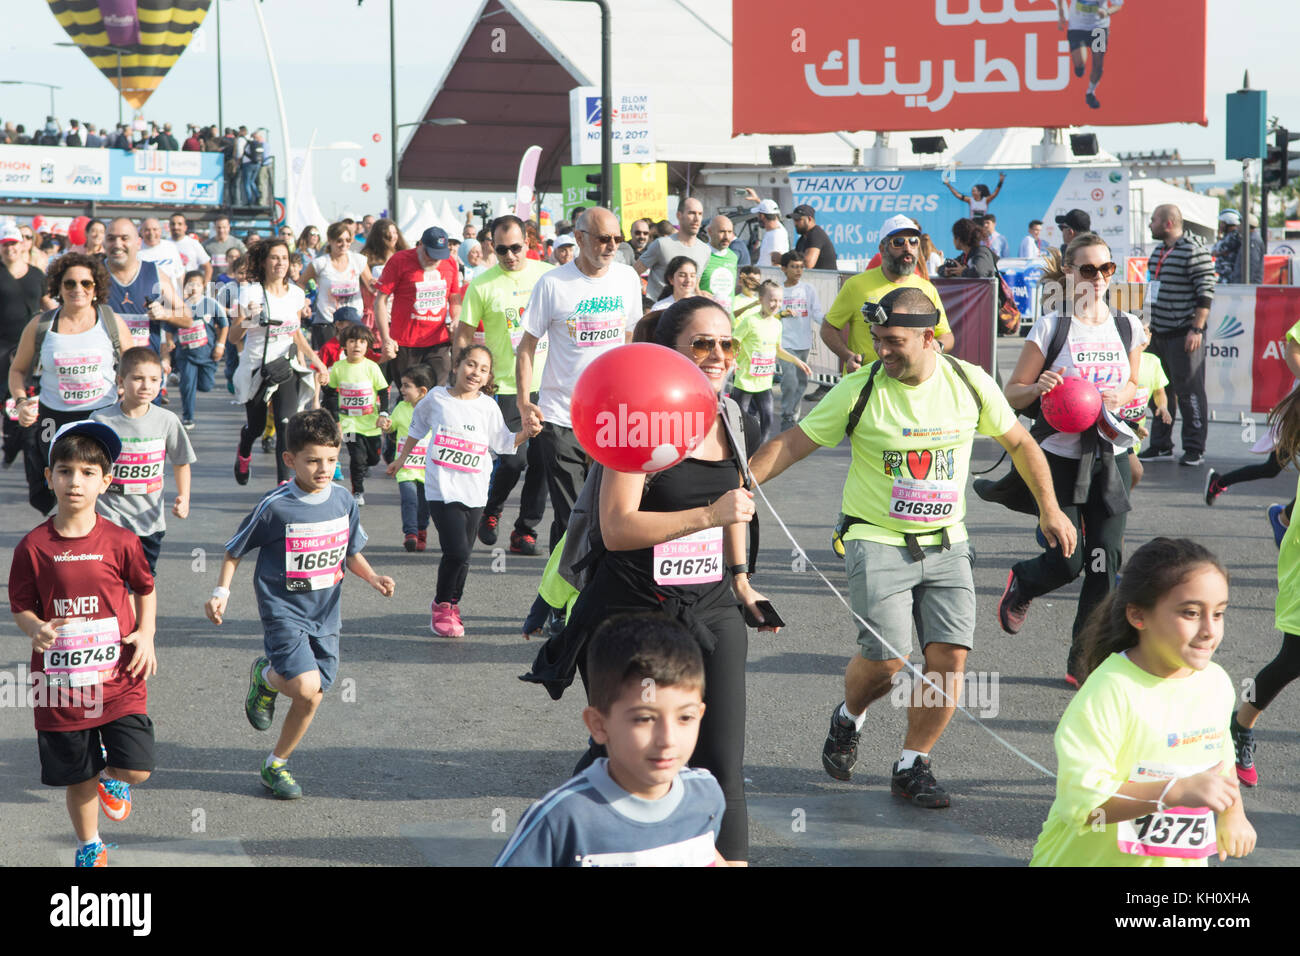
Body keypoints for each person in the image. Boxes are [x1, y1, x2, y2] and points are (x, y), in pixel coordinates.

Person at [748, 287, 1074, 809]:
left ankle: (912, 764)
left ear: (931, 338)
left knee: (948, 661)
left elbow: (1021, 443)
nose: (883, 351)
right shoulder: (860, 390)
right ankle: (848, 716)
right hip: (875, 539)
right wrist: (739, 489)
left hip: (949, 543)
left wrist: (1050, 509)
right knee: (888, 661)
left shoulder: (969, 383)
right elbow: (790, 443)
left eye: (894, 341)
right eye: (877, 340)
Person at [523, 295, 779, 863]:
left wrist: (741, 582)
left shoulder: (730, 414)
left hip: (712, 602)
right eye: (702, 344)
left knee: (720, 763)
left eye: (727, 343)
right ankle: (563, 845)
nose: (717, 355)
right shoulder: (637, 408)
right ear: (669, 351)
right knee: (630, 755)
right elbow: (617, 528)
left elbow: (734, 503)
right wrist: (707, 517)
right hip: (635, 606)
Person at [1030, 537, 1256, 866]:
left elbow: (1220, 759)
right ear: (1138, 616)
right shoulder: (1111, 691)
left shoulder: (1216, 682)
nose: (1210, 630)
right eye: (1191, 613)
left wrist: (1233, 813)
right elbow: (1082, 809)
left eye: (1219, 613)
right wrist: (1172, 793)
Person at [205, 409, 395, 798]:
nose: (324, 468)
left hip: (326, 616)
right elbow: (234, 550)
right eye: (312, 460)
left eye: (331, 459)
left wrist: (373, 577)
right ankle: (269, 677)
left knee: (315, 694)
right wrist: (220, 593)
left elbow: (349, 552)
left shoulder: (343, 500)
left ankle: (276, 762)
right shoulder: (276, 506)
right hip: (284, 613)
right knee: (307, 688)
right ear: (290, 460)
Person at [8, 420, 158, 867]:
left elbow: (144, 588)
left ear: (106, 481)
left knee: (137, 767)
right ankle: (89, 843)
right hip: (61, 683)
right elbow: (21, 607)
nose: (76, 481)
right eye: (66, 470)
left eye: (88, 472)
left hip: (118, 676)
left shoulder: (121, 541)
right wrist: (35, 628)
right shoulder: (34, 547)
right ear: (49, 477)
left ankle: (115, 776)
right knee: (78, 774)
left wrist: (147, 634)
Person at [996, 233, 1143, 686]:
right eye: (1087, 269)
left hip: (1111, 452)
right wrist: (1039, 388)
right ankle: (1024, 580)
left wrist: (1124, 393)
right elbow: (1012, 393)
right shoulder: (1052, 326)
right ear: (1069, 274)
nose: (1098, 278)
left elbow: (1135, 381)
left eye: (1106, 269)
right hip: (1059, 457)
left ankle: (1083, 662)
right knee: (1067, 560)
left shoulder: (1127, 326)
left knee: (1105, 561)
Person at [497, 615, 728, 867]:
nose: (667, 739)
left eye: (685, 717)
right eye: (644, 719)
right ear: (599, 724)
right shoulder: (562, 820)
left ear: (700, 715)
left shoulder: (706, 795)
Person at [516, 207, 643, 550]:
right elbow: (527, 346)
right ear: (580, 238)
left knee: (606, 512)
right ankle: (567, 599)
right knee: (573, 513)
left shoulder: (627, 278)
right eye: (604, 238)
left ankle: (571, 594)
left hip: (613, 417)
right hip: (561, 415)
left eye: (618, 239)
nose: (612, 246)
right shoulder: (553, 283)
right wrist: (525, 401)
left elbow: (630, 338)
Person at [389, 345, 538, 636]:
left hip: (475, 491)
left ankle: (453, 605)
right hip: (441, 489)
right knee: (456, 550)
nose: (475, 372)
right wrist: (401, 459)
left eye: (483, 369)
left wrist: (527, 433)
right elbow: (417, 428)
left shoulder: (488, 406)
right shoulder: (436, 398)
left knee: (464, 556)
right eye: (471, 364)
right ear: (456, 366)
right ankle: (441, 605)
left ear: (488, 377)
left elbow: (503, 442)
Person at [452, 214, 553, 556]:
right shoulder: (482, 284)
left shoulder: (546, 274)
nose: (510, 256)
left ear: (528, 242)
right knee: (513, 459)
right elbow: (464, 333)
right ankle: (492, 510)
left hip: (548, 382)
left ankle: (525, 530)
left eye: (516, 248)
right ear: (491, 247)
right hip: (505, 386)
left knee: (542, 461)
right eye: (501, 249)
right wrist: (467, 374)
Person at [8, 253, 133, 514]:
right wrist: (20, 403)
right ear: (58, 287)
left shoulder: (111, 322)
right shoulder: (41, 324)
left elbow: (132, 367)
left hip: (101, 417)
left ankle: (99, 547)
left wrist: (130, 395)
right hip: (54, 419)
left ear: (96, 288)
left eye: (86, 283)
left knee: (100, 488)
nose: (78, 289)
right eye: (70, 283)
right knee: (61, 488)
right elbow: (18, 370)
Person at [230, 238, 327, 486]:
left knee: (286, 422)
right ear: (264, 262)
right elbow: (233, 337)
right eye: (274, 257)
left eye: (284, 258)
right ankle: (244, 448)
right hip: (257, 367)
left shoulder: (296, 293)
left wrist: (316, 361)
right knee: (257, 427)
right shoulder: (250, 292)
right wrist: (249, 318)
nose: (280, 263)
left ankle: (283, 483)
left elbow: (295, 332)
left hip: (286, 365)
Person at [91, 348, 195, 575]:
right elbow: (87, 468)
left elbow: (181, 461)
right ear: (121, 381)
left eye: (154, 379)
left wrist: (184, 497)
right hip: (109, 518)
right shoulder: (100, 420)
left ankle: (142, 613)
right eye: (138, 378)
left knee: (145, 581)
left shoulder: (167, 420)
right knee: (113, 579)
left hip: (149, 521)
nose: (146, 385)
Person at [820, 215, 955, 374]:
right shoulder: (856, 285)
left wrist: (938, 346)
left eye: (913, 241)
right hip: (867, 383)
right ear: (882, 249)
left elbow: (946, 335)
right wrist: (848, 356)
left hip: (910, 384)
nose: (907, 248)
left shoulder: (927, 289)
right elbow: (828, 328)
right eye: (898, 242)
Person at [1139, 204, 1216, 467]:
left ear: (1168, 223)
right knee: (1158, 389)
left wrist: (1196, 329)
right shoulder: (1159, 251)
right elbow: (1153, 289)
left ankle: (1195, 448)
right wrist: (1146, 323)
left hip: (1184, 332)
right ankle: (1161, 444)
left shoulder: (1193, 249)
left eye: (1153, 220)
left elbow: (1206, 291)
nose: (1150, 225)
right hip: (1159, 333)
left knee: (1189, 392)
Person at [375, 225, 460, 384]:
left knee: (437, 392)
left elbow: (455, 299)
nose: (434, 260)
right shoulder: (400, 261)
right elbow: (380, 300)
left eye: (439, 256)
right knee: (410, 395)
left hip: (438, 342)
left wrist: (456, 319)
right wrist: (386, 338)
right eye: (431, 254)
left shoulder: (450, 263)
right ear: (420, 245)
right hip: (406, 343)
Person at [732, 280, 812, 445]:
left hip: (764, 383)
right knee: (739, 423)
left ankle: (755, 455)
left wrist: (797, 361)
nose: (777, 304)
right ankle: (737, 454)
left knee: (767, 421)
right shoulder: (750, 321)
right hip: (745, 382)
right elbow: (733, 341)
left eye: (780, 301)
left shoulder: (776, 324)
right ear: (761, 299)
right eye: (772, 300)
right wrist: (731, 359)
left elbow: (778, 349)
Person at [326, 323, 388, 504]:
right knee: (356, 456)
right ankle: (358, 491)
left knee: (374, 459)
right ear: (344, 345)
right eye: (352, 341)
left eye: (361, 342)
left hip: (371, 423)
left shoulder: (372, 367)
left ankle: (365, 465)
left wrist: (383, 413)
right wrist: (336, 418)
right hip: (349, 423)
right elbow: (329, 394)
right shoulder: (338, 367)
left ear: (367, 345)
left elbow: (383, 391)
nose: (357, 345)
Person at [382, 364, 434, 551]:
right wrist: (386, 425)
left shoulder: (434, 410)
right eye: (401, 385)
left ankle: (421, 530)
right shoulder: (401, 407)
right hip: (405, 466)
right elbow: (392, 427)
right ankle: (410, 534)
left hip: (427, 468)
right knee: (409, 499)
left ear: (422, 390)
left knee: (425, 503)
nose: (401, 389)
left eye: (406, 386)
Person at [300, 222, 374, 351]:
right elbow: (301, 282)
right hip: (327, 321)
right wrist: (303, 303)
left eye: (347, 240)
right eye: (339, 240)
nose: (344, 244)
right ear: (330, 240)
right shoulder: (320, 263)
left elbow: (370, 284)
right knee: (327, 367)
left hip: (352, 321)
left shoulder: (358, 260)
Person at [171, 269, 228, 428]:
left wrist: (220, 346)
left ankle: (195, 380)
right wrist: (169, 342)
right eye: (190, 284)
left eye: (197, 284)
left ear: (203, 286)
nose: (194, 288)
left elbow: (224, 325)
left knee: (206, 385)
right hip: (185, 354)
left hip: (207, 354)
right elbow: (168, 327)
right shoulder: (180, 305)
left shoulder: (211, 304)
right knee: (187, 384)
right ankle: (188, 417)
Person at [778, 250, 822, 430]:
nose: (798, 271)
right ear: (783, 269)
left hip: (803, 343)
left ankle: (793, 414)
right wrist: (782, 314)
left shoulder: (808, 289)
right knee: (790, 380)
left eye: (801, 267)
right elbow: (772, 314)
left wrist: (831, 322)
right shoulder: (778, 290)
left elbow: (816, 312)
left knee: (801, 382)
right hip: (785, 344)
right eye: (794, 267)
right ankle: (787, 414)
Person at [635, 197, 709, 301]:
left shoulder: (705, 250)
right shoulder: (661, 244)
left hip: (686, 311)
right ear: (679, 215)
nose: (696, 219)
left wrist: (704, 297)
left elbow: (695, 287)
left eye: (700, 214)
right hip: (659, 311)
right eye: (691, 213)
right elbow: (633, 273)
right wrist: (644, 299)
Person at [1057, 0, 1123, 109]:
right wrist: (1061, 14)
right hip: (1077, 28)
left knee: (1098, 65)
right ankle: (1080, 67)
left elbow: (1118, 5)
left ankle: (1090, 93)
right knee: (1080, 63)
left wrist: (1107, 12)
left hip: (1099, 28)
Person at [699, 216, 739, 307]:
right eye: (722, 232)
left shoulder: (733, 257)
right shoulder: (700, 254)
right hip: (706, 315)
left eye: (729, 232)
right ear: (710, 231)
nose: (726, 236)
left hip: (727, 318)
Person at [136, 218, 185, 292]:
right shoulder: (136, 250)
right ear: (141, 232)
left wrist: (183, 295)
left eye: (155, 229)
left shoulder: (170, 247)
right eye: (147, 230)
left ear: (160, 231)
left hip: (172, 299)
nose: (151, 233)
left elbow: (180, 274)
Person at [167, 213, 211, 284]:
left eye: (180, 224)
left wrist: (203, 286)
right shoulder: (164, 244)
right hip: (171, 286)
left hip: (190, 287)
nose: (176, 227)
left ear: (185, 227)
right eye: (173, 224)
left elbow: (208, 267)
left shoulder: (193, 243)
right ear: (169, 226)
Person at [791, 204, 838, 272]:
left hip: (826, 281)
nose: (795, 223)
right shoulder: (801, 239)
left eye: (798, 220)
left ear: (809, 219)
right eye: (794, 220)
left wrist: (785, 261)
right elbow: (796, 260)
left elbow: (808, 264)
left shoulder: (816, 234)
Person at [749, 195, 790, 266]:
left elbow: (777, 262)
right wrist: (757, 199)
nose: (757, 218)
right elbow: (768, 209)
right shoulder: (778, 226)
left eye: (758, 215)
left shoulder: (775, 236)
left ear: (762, 216)